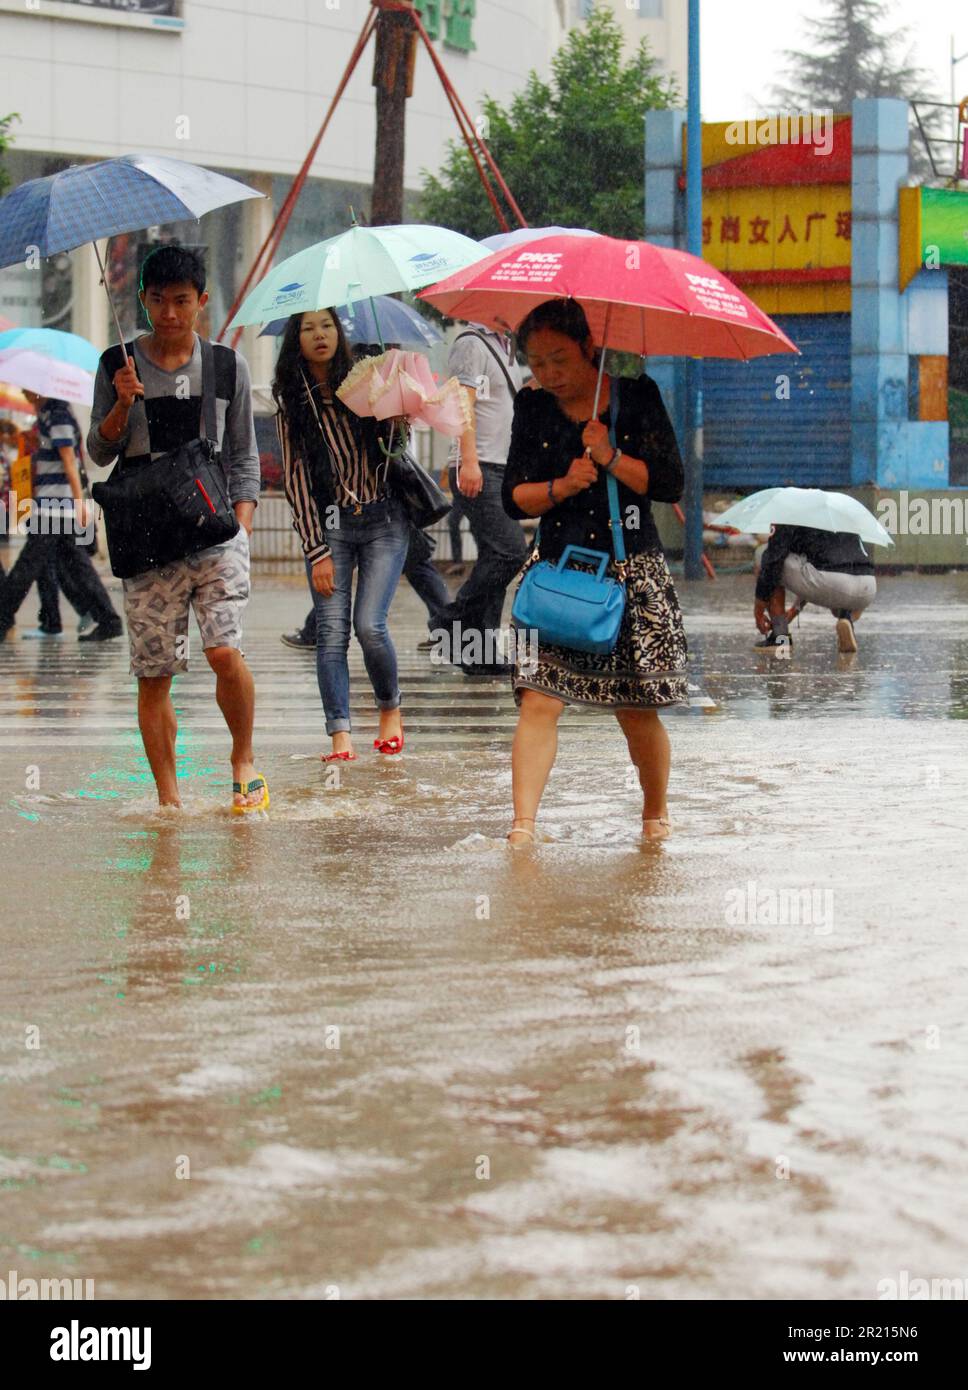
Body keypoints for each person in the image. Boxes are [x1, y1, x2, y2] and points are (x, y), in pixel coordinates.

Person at [86, 244, 266, 812]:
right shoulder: (117, 362)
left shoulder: (224, 365)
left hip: (214, 531)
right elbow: (98, 449)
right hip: (145, 536)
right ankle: (169, 798)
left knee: (222, 651)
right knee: (155, 671)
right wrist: (120, 405)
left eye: (181, 301)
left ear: (202, 302)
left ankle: (242, 759)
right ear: (141, 300)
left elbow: (243, 455)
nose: (168, 313)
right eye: (157, 300)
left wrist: (241, 527)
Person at [501, 298, 688, 844]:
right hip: (558, 575)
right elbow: (515, 498)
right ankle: (522, 828)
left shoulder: (638, 397)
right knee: (538, 698)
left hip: (630, 573)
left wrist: (609, 457)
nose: (549, 374)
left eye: (559, 359)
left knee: (635, 709)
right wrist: (563, 485)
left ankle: (655, 817)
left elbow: (670, 483)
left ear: (590, 347)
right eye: (537, 362)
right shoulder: (532, 406)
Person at [274, 308, 410, 762]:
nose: (320, 335)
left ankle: (389, 709)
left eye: (327, 326)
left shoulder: (364, 382)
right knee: (331, 632)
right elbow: (295, 481)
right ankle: (340, 736)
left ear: (339, 334)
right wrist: (316, 552)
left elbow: (396, 451)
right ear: (297, 338)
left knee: (369, 625)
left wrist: (397, 413)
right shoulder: (292, 404)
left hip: (385, 520)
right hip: (332, 527)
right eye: (309, 328)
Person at [433, 320, 528, 675]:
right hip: (478, 466)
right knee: (511, 551)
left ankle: (480, 652)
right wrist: (468, 460)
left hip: (502, 467)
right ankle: (449, 620)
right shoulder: (471, 342)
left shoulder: (506, 344)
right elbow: (462, 403)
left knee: (495, 555)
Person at [0, 392, 123, 644]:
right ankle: (109, 620)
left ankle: (1, 619)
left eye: (28, 391)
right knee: (77, 567)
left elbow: (69, 460)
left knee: (26, 567)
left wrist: (79, 504)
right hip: (52, 506)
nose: (25, 394)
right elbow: (56, 455)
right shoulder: (48, 415)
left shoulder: (58, 415)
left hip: (55, 507)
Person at [753, 524, 876, 656]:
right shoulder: (836, 515)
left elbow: (773, 561)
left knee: (764, 554)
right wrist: (795, 610)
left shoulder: (789, 514)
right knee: (832, 566)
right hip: (867, 587)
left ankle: (779, 636)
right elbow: (819, 566)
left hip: (832, 583)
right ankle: (846, 619)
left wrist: (759, 609)